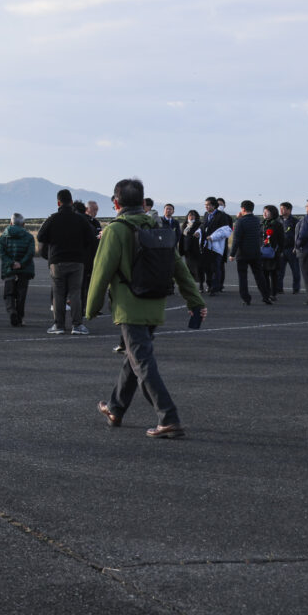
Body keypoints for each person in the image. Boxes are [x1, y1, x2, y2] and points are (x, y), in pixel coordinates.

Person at [88, 178, 207, 439]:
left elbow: (101, 273)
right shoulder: (159, 227)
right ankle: (115, 408)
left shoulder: (115, 231)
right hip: (155, 303)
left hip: (130, 308)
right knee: (134, 358)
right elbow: (179, 268)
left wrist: (91, 309)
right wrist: (195, 301)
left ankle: (168, 418)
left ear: (116, 203)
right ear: (143, 203)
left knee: (142, 363)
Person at [37, 189, 94, 335]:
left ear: (58, 202)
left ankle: (59, 325)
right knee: (75, 292)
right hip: (76, 261)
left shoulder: (52, 219)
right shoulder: (80, 219)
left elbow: (41, 236)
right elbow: (91, 237)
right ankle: (77, 325)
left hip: (57, 261)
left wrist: (50, 250)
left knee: (58, 293)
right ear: (72, 202)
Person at [230, 200, 273, 306]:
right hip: (255, 252)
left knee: (243, 277)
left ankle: (246, 298)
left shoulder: (240, 222)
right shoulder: (256, 220)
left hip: (243, 253)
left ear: (243, 209)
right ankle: (266, 296)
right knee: (259, 275)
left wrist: (232, 254)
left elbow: (236, 239)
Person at [0, 213, 35, 327]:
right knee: (21, 294)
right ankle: (19, 317)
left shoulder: (3, 237)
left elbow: (1, 253)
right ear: (23, 224)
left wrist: (11, 263)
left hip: (9, 269)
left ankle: (12, 311)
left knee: (9, 293)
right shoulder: (29, 237)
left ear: (11, 223)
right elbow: (30, 253)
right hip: (24, 269)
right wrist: (21, 263)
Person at [201, 197, 232, 294]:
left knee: (216, 267)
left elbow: (226, 231)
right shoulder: (206, 215)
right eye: (205, 205)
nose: (206, 207)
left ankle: (215, 287)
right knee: (207, 267)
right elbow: (203, 227)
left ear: (214, 206)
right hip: (206, 246)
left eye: (208, 205)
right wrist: (199, 232)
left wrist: (213, 237)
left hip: (217, 246)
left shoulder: (222, 216)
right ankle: (209, 285)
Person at [277, 202, 301, 296]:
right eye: (280, 208)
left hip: (292, 249)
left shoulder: (295, 221)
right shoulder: (278, 220)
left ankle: (296, 289)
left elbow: (299, 236)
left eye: (283, 208)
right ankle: (279, 288)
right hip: (281, 250)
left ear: (289, 210)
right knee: (280, 271)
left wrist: (296, 247)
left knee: (295, 271)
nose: (281, 210)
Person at [180, 210, 206, 287]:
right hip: (187, 250)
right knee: (189, 269)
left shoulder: (199, 224)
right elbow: (182, 238)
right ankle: (191, 286)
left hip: (197, 250)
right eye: (190, 215)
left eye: (193, 215)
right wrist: (181, 250)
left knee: (199, 268)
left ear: (196, 216)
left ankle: (201, 284)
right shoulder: (185, 225)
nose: (191, 217)